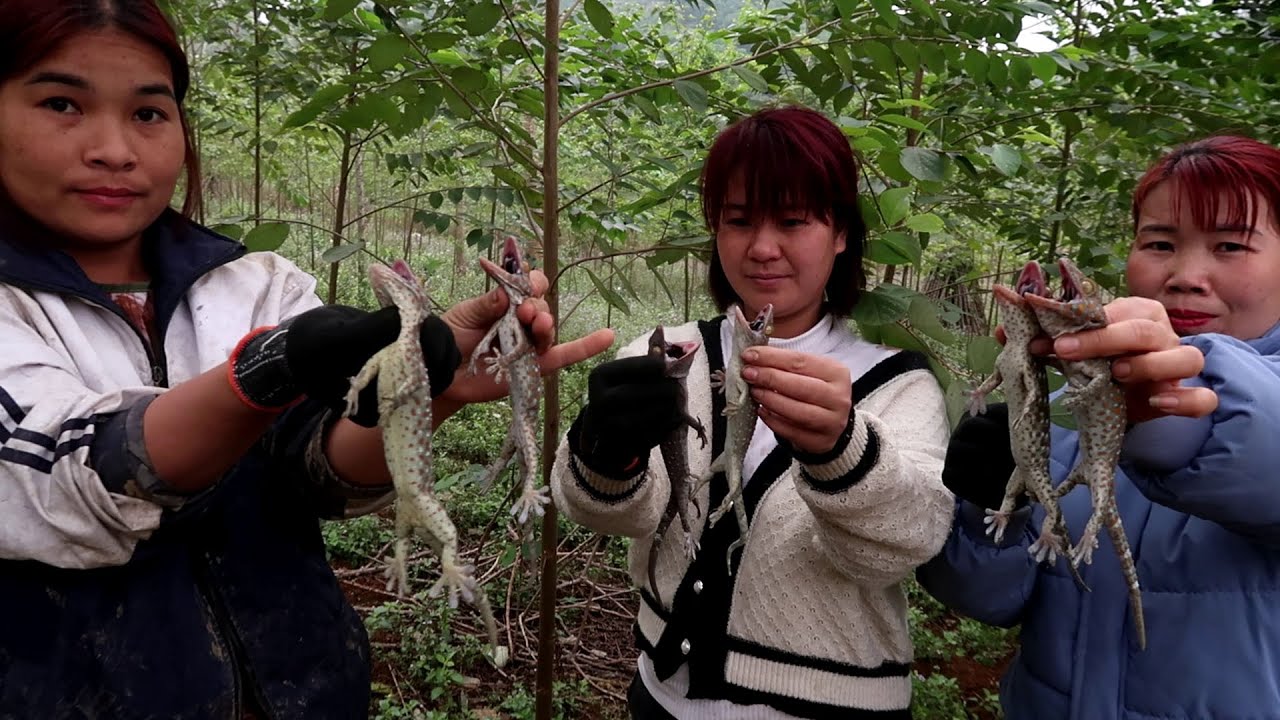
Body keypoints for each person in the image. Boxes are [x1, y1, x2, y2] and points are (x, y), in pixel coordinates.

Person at [0, 1, 613, 718]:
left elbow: (319, 473)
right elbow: (67, 474)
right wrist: (263, 372)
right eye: (62, 103)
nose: (114, 148)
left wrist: (430, 391)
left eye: (148, 113)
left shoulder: (256, 283)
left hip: (309, 691)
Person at [549, 105, 955, 719]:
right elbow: (610, 510)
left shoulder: (895, 383)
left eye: (793, 220)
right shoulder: (670, 354)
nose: (763, 247)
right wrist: (605, 451)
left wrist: (841, 450)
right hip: (661, 700)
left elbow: (905, 545)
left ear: (841, 233)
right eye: (739, 220)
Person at [917, 134, 1280, 719]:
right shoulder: (1068, 402)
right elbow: (987, 598)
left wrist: (1164, 416)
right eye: (1160, 242)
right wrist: (983, 506)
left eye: (1232, 245)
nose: (1186, 274)